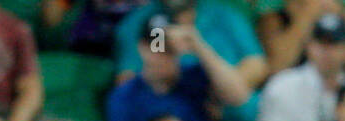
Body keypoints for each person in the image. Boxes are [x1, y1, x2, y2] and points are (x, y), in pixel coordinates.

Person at [107, 10, 251, 121]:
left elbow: (239, 96)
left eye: (168, 49)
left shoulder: (194, 77)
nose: (161, 56)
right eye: (156, 47)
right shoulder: (127, 95)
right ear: (142, 48)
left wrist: (197, 44)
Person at [256, 12, 345, 121]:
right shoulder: (282, 86)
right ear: (308, 45)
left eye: (334, 44)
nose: (327, 52)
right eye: (321, 43)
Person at [113, 0, 268, 93]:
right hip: (174, 107)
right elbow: (127, 80)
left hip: (228, 103)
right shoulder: (150, 22)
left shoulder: (223, 13)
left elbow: (256, 64)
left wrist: (218, 91)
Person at [254, 0, 345, 78]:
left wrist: (339, 24)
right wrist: (308, 16)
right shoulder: (272, 20)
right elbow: (277, 66)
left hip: (341, 104)